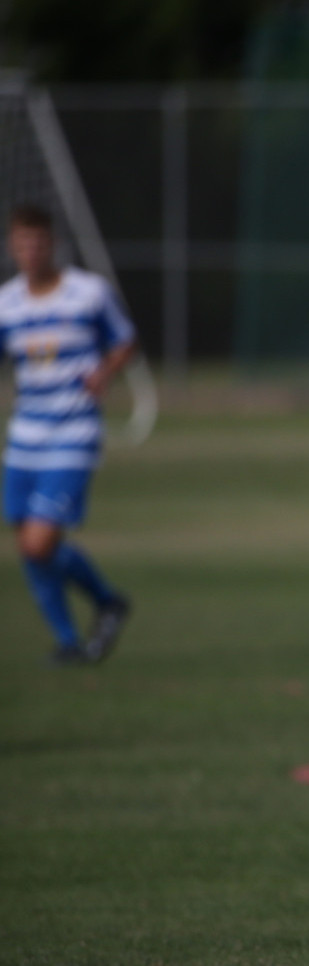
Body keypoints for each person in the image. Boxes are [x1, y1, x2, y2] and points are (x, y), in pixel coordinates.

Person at [3, 203, 136, 665]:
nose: (32, 251)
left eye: (39, 242)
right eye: (23, 244)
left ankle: (103, 601)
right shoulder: (7, 304)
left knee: (38, 543)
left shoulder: (87, 292)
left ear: (52, 244)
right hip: (25, 434)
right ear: (12, 247)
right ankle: (70, 638)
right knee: (30, 545)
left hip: (73, 430)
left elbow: (125, 340)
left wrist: (104, 372)